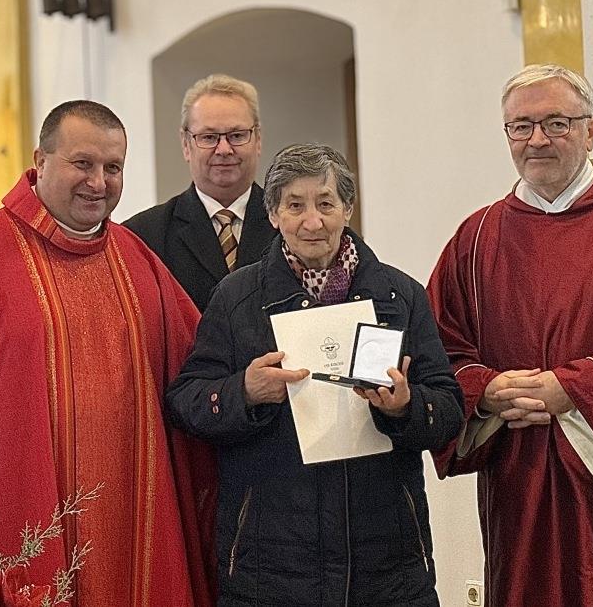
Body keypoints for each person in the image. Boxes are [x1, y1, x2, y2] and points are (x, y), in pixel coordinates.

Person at [428, 64, 593, 605]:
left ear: (591, 130)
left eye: (556, 122)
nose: (537, 140)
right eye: (521, 126)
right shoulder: (476, 239)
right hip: (517, 477)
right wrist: (487, 391)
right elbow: (439, 350)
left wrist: (573, 387)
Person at [166, 143, 463, 606]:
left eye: (326, 204)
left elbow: (448, 410)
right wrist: (243, 391)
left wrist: (405, 407)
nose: (312, 221)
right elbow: (187, 402)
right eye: (295, 205)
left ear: (348, 208)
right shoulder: (236, 298)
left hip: (388, 563)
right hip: (270, 566)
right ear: (273, 214)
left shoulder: (399, 296)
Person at [0, 101, 216, 606]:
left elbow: (201, 365)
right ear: (41, 159)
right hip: (20, 506)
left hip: (133, 511)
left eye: (113, 167)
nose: (98, 182)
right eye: (83, 163)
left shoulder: (138, 260)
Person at [124, 74, 277, 311]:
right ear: (186, 145)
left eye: (237, 135)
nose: (224, 149)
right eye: (209, 137)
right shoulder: (142, 237)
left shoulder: (293, 226)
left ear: (258, 139)